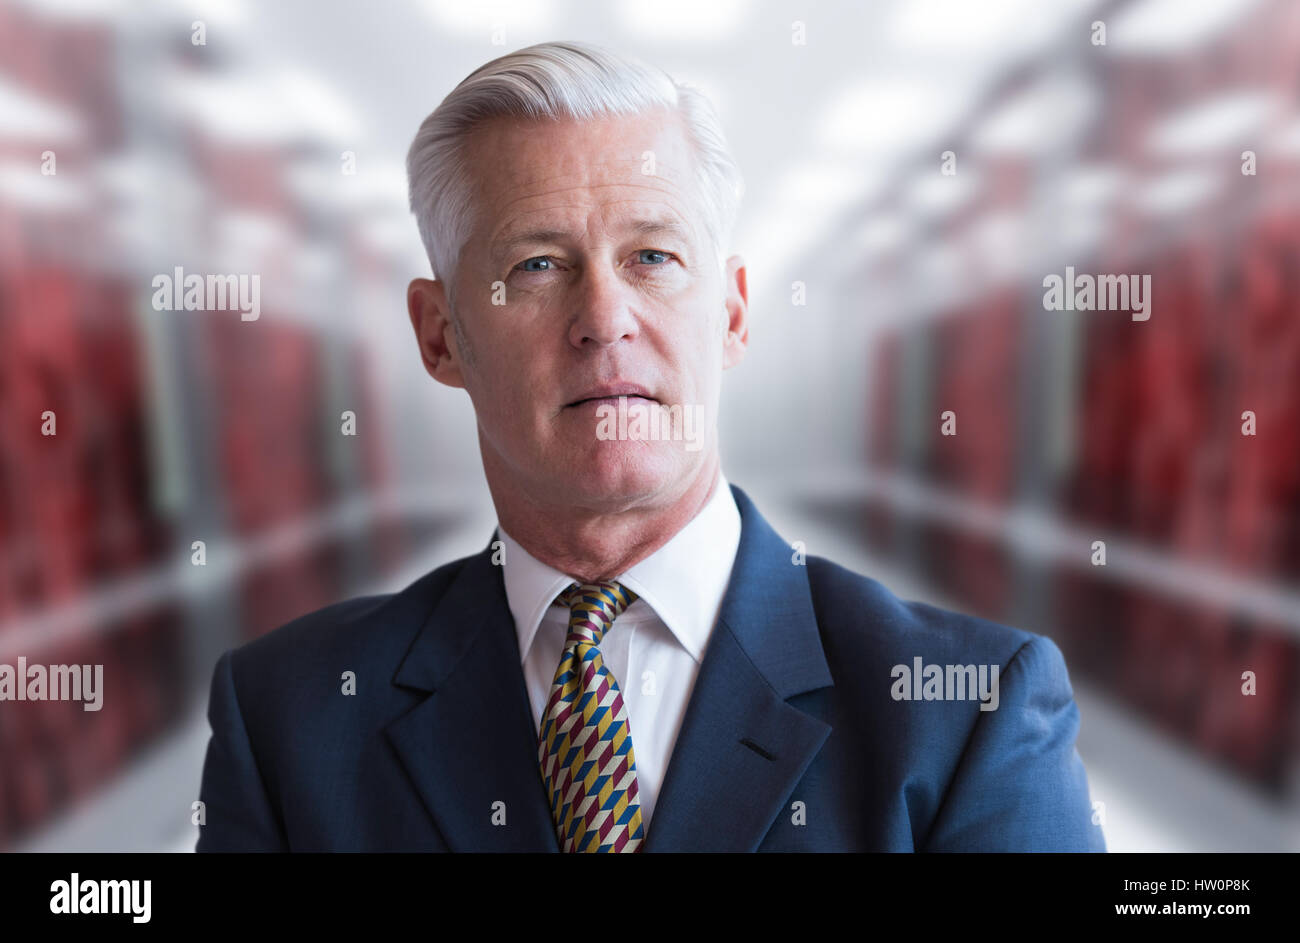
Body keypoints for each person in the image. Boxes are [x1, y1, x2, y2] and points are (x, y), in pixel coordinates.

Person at [195, 39, 1105, 853]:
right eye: (537, 265)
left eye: (654, 258)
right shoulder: (293, 719)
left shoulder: (964, 713)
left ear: (734, 311)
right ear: (440, 336)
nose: (604, 320)